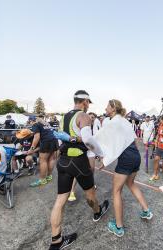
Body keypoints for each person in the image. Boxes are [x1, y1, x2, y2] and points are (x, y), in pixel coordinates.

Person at [48, 90, 109, 249]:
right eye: (88, 103)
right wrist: (101, 154)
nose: (88, 106)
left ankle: (56, 240)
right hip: (78, 161)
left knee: (60, 200)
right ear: (85, 101)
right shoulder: (84, 116)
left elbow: (61, 139)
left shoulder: (63, 117)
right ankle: (97, 211)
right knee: (90, 195)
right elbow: (88, 140)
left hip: (63, 161)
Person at [102, 100, 152, 237]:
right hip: (135, 156)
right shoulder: (125, 121)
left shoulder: (113, 122)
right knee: (131, 184)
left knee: (116, 191)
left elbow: (107, 142)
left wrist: (103, 160)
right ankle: (146, 211)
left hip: (126, 158)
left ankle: (118, 227)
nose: (105, 108)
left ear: (113, 108)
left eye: (107, 106)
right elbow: (134, 140)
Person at [28, 114, 59, 187]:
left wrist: (32, 149)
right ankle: (49, 176)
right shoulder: (45, 123)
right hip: (54, 140)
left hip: (46, 142)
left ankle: (42, 180)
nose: (29, 123)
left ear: (31, 121)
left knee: (43, 161)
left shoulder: (35, 124)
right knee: (51, 159)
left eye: (29, 122)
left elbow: (36, 137)